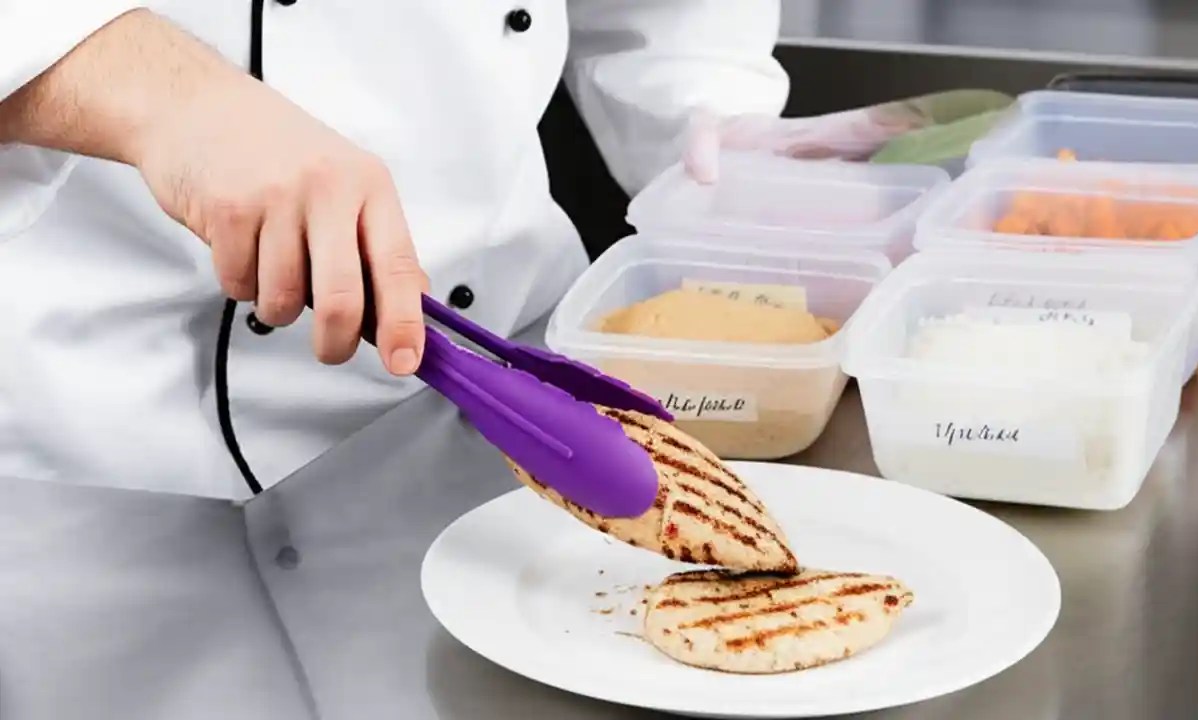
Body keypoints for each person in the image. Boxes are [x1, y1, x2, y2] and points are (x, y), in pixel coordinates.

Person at [0, 3, 920, 718]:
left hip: (492, 429)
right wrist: (165, 95)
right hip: (96, 456)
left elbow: (665, 18)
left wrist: (710, 126)